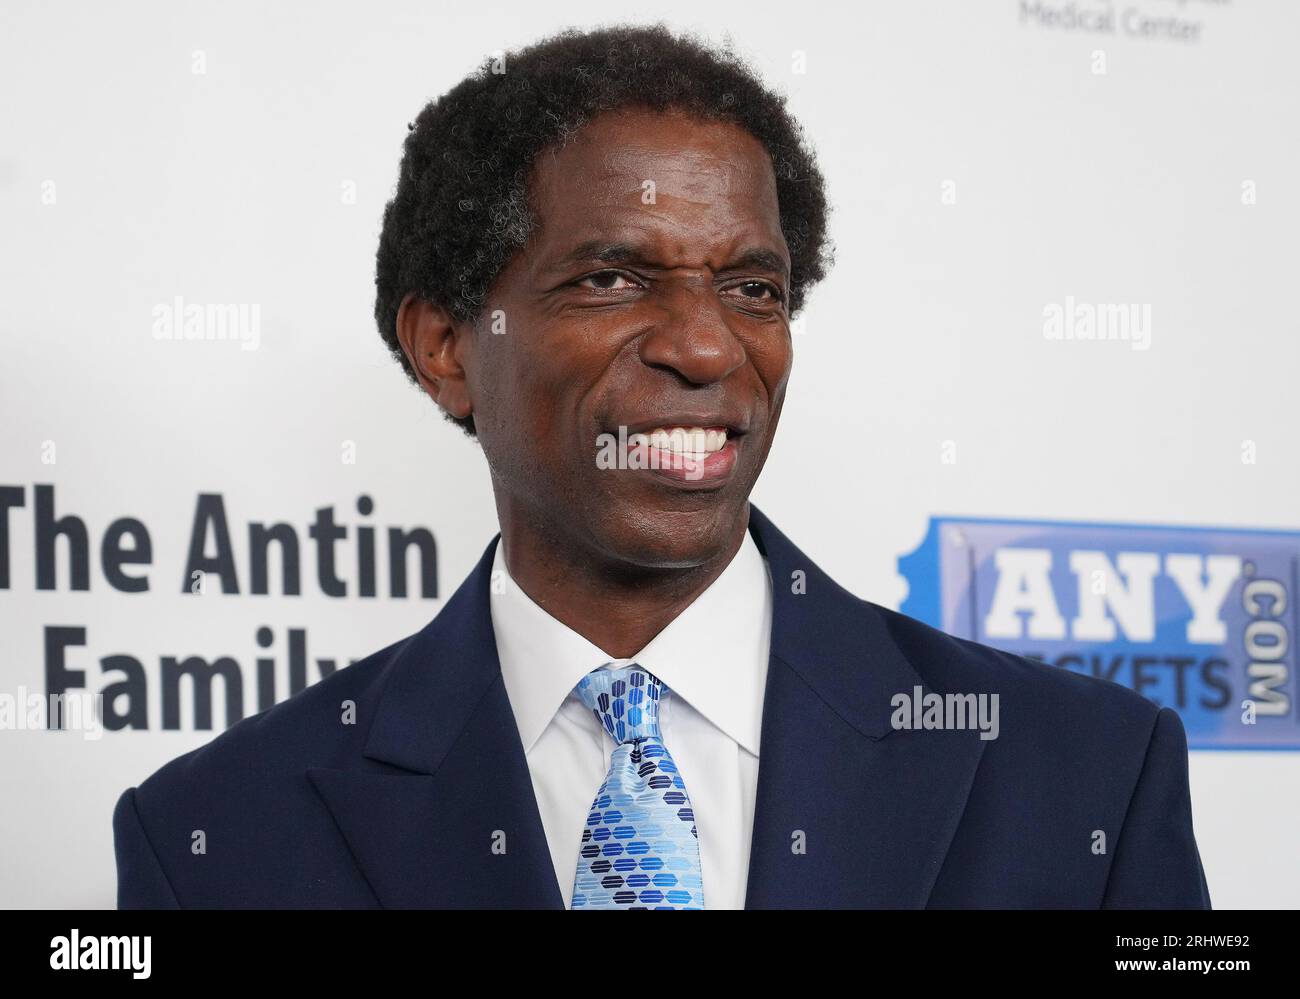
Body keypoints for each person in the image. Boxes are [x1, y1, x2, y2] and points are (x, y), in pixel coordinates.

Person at [113, 22, 1210, 909]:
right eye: (611, 280)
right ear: (446, 347)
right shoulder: (216, 836)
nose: (704, 345)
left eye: (752, 289)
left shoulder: (1083, 774)